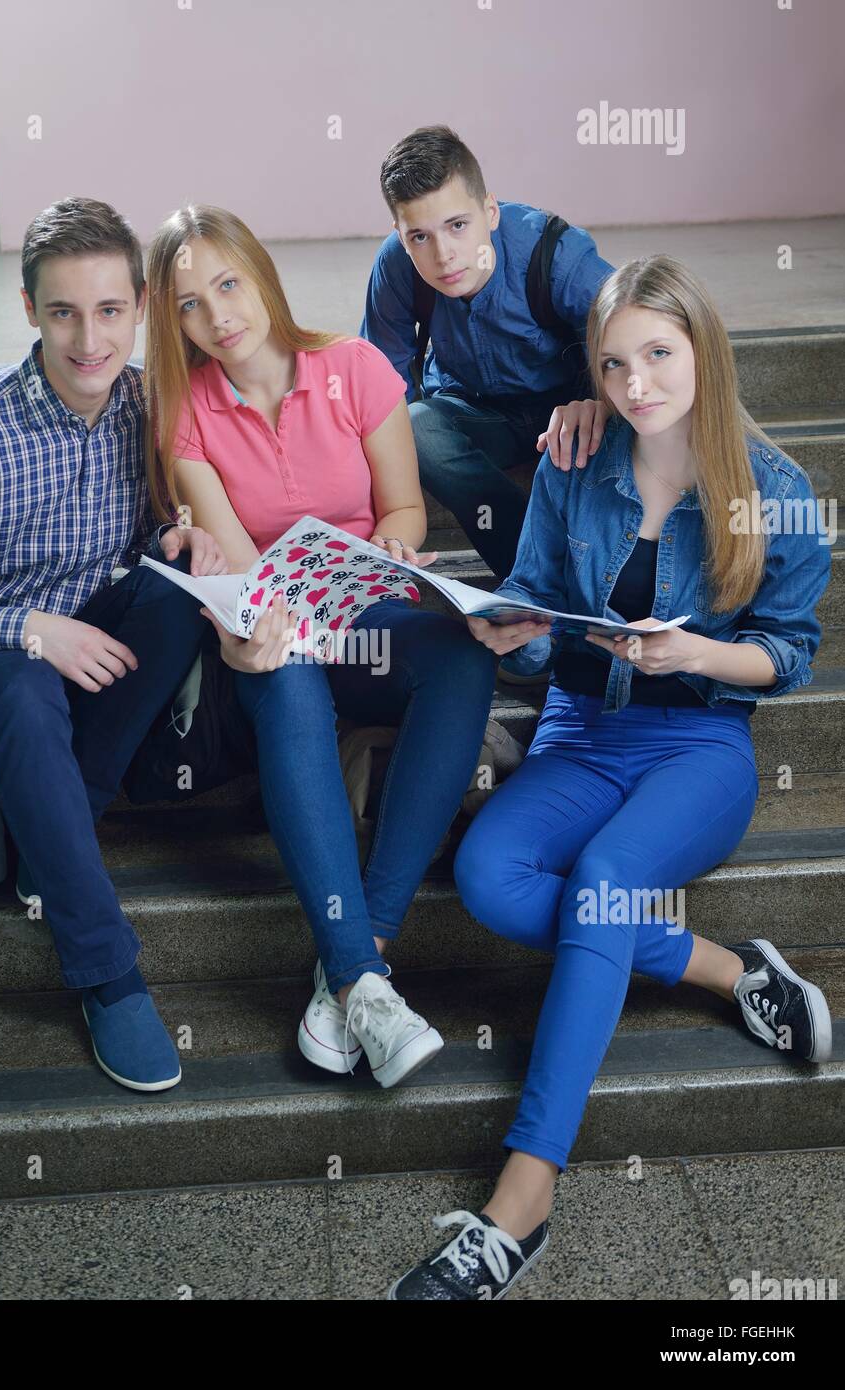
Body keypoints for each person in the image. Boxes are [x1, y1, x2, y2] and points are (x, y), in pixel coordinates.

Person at [388, 253, 833, 1299]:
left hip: (698, 741)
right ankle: (731, 970)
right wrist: (515, 632)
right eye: (615, 363)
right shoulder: (573, 463)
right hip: (581, 729)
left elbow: (789, 651)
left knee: (606, 873)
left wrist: (694, 656)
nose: (637, 384)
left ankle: (521, 1196)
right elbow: (540, 601)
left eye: (659, 354)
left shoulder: (772, 491)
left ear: (702, 349)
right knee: (491, 870)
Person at [0, 197, 230, 1094]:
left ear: (140, 306)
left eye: (110, 311)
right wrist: (28, 629)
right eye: (63, 311)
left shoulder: (145, 403)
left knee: (178, 595)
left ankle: (50, 825)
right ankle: (106, 972)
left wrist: (177, 539)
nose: (89, 340)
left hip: (90, 651)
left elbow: (149, 539)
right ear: (29, 309)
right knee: (26, 690)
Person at [143, 203, 506, 1087]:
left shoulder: (355, 368)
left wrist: (391, 543)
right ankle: (361, 979)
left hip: (368, 613)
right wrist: (251, 630)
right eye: (190, 304)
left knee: (463, 652)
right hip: (271, 640)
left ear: (262, 272)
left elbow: (404, 507)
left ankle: (358, 956)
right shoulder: (187, 411)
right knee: (283, 658)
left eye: (229, 284)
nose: (218, 315)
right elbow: (232, 560)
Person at [360, 124, 615, 600]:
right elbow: (380, 388)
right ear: (399, 233)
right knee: (413, 426)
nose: (443, 254)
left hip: (566, 415)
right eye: (419, 236)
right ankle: (534, 578)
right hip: (472, 411)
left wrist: (599, 400)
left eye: (458, 226)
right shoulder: (396, 265)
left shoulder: (553, 252)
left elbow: (637, 334)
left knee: (632, 423)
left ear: (490, 212)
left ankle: (580, 579)